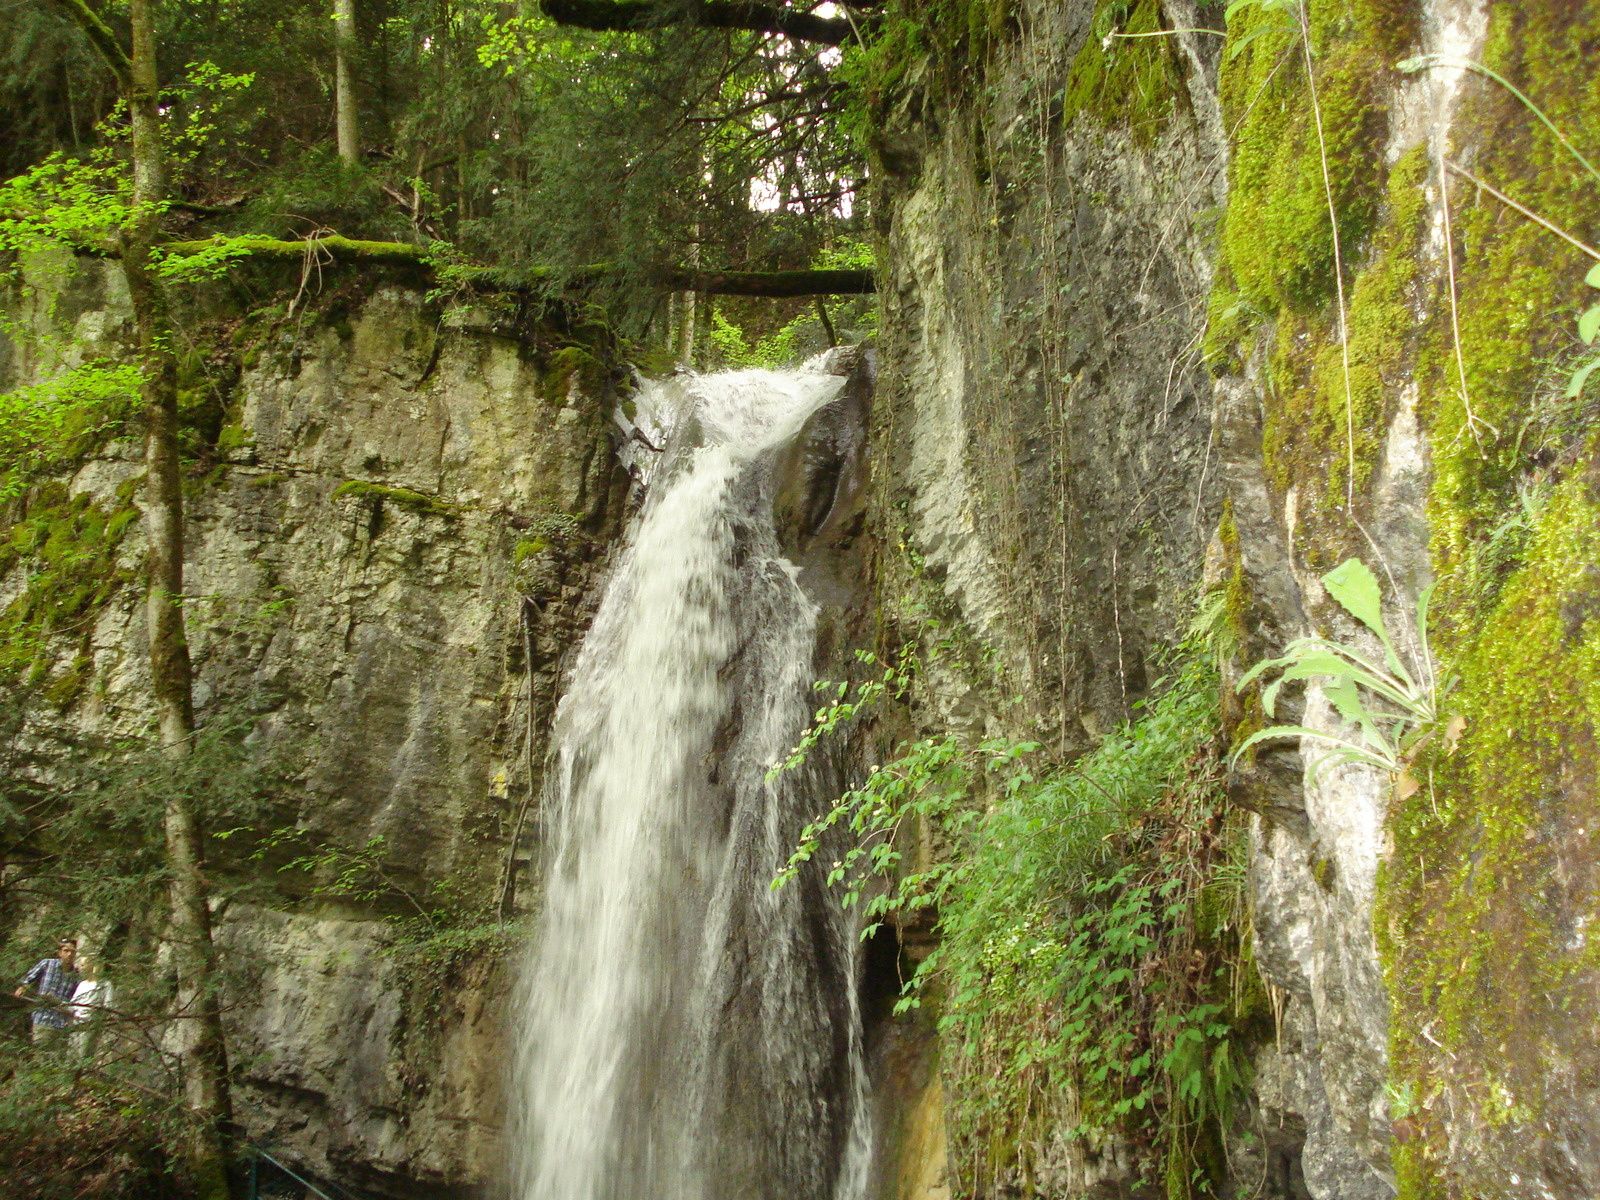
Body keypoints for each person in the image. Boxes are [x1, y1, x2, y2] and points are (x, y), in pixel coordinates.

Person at [14, 938, 82, 1041]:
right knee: (41, 1052)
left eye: (72, 952)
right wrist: (23, 987)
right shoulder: (47, 964)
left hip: (61, 1023)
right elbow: (29, 978)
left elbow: (74, 999)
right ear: (60, 952)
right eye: (66, 951)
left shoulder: (76, 976)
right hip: (42, 1018)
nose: (69, 954)